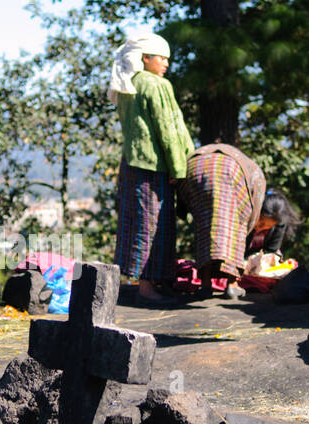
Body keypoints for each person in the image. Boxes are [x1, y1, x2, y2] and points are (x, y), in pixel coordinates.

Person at [109, 31, 195, 304]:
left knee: (134, 223)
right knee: (154, 225)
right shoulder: (156, 85)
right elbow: (169, 131)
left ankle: (144, 283)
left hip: (131, 164)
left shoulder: (126, 85)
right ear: (145, 58)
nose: (166, 63)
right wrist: (178, 169)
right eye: (162, 57)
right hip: (154, 166)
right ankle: (148, 289)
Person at [177, 144, 298, 289]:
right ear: (256, 209)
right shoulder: (244, 214)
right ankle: (227, 282)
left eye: (266, 226)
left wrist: (258, 261)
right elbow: (234, 243)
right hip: (240, 260)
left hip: (256, 262)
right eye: (260, 223)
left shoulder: (279, 225)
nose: (260, 228)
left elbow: (271, 251)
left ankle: (216, 280)